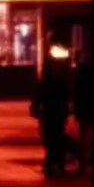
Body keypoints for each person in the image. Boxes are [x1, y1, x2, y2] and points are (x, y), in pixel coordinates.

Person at [31, 32, 73, 178]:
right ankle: (56, 163)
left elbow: (44, 83)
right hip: (58, 104)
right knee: (56, 134)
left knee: (51, 135)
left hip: (51, 104)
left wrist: (36, 103)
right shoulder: (64, 56)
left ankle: (54, 162)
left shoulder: (54, 57)